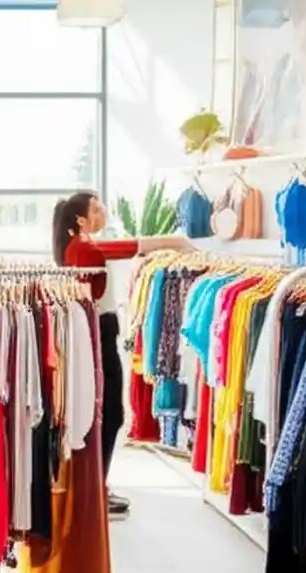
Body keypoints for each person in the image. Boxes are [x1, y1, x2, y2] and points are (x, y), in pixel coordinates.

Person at [52, 191, 194, 519]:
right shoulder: (84, 247)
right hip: (97, 335)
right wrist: (175, 242)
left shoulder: (79, 247)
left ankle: (96, 485)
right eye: (97, 208)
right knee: (111, 412)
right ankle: (96, 487)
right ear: (81, 219)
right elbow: (125, 247)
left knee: (107, 412)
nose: (104, 211)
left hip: (99, 333)